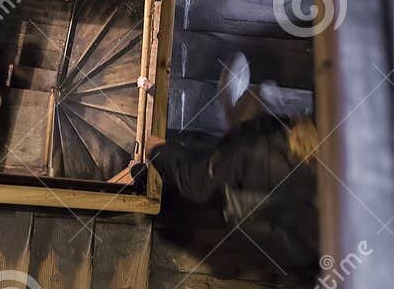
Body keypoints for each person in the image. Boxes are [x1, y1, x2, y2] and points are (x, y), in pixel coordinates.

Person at [111, 53, 318, 273]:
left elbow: (197, 184)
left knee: (186, 190)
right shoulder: (302, 159)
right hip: (275, 229)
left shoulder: (251, 152)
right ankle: (147, 178)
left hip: (231, 208)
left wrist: (157, 150)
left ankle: (146, 181)